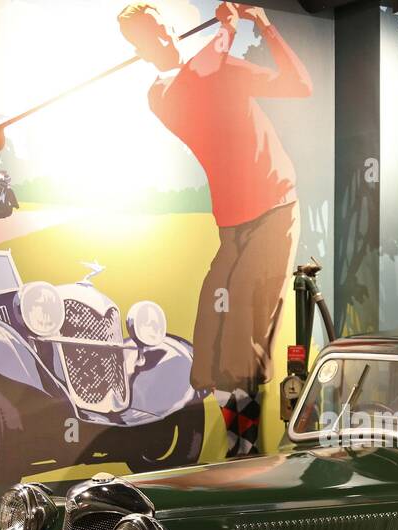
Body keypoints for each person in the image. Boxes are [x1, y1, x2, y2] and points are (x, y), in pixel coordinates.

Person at [118, 1, 311, 457]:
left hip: (274, 211)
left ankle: (243, 451)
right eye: (148, 36)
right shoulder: (163, 93)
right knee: (211, 337)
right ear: (139, 48)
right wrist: (226, 29)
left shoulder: (222, 67)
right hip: (233, 227)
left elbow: (299, 85)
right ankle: (238, 442)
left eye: (162, 28)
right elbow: (196, 87)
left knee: (242, 336)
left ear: (170, 29)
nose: (161, 38)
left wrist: (266, 28)